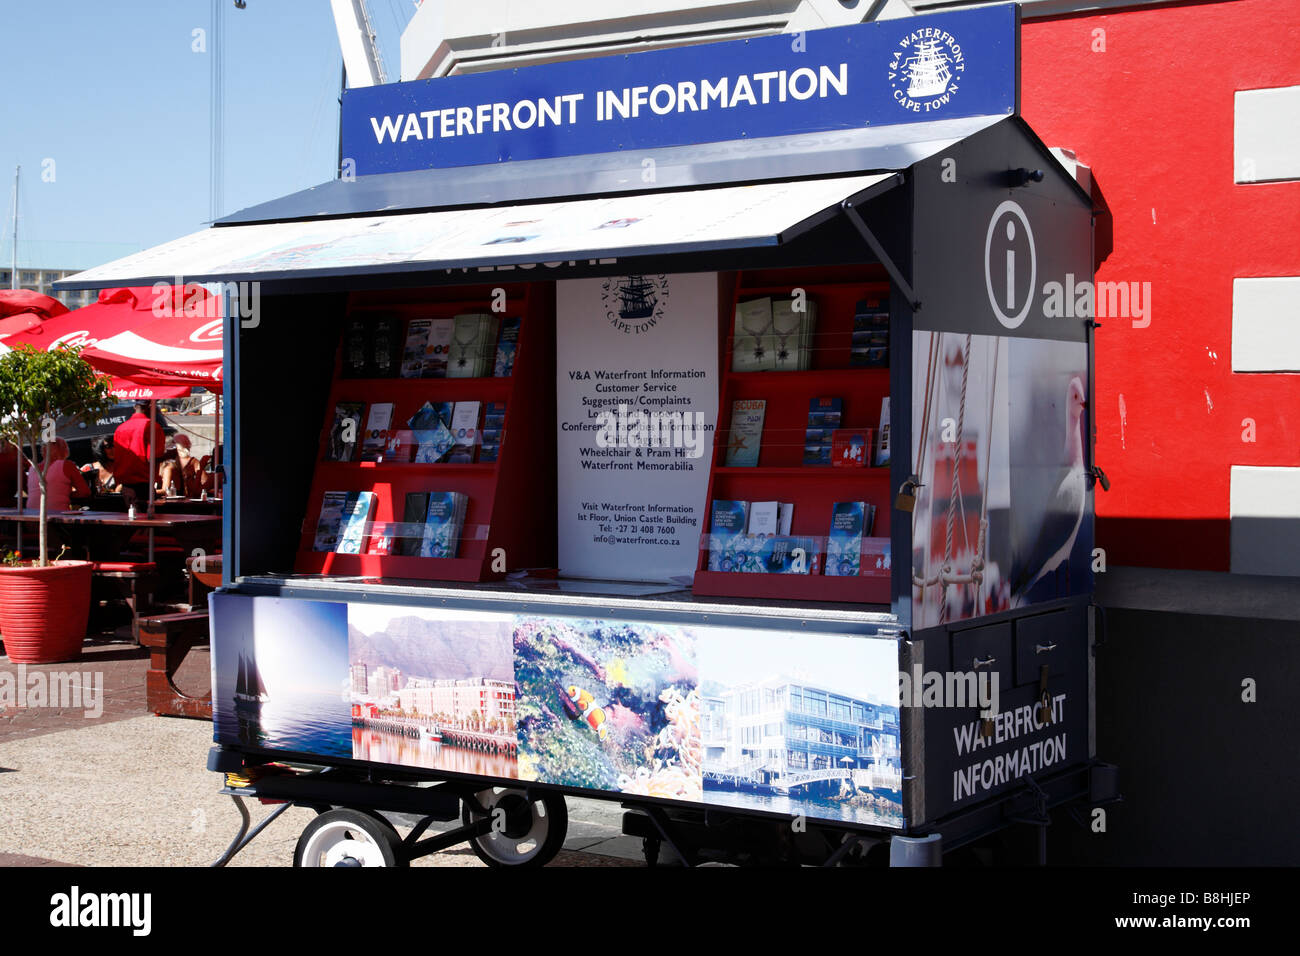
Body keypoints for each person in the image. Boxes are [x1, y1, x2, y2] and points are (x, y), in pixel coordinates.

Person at [112, 402, 166, 503]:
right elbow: (153, 458)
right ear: (151, 407)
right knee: (144, 517)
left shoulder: (120, 428)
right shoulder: (152, 427)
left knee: (130, 516)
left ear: (135, 406)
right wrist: (171, 454)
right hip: (143, 486)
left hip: (125, 486)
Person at [26, 438, 91, 512]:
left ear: (43, 451)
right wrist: (65, 495)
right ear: (64, 450)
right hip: (58, 517)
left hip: (31, 515)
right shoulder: (67, 465)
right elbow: (85, 492)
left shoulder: (32, 468)